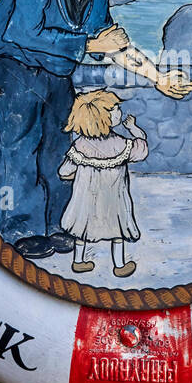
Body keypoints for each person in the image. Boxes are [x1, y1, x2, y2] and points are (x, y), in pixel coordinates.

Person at [0, 0, 192, 260]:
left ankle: (58, 225)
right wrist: (90, 47)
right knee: (17, 149)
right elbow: (25, 33)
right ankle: (21, 230)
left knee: (58, 148)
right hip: (11, 70)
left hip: (56, 74)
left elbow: (110, 39)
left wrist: (158, 77)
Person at [58, 90, 148, 278]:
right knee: (117, 231)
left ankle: (78, 261)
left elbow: (64, 171)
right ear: (101, 118)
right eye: (113, 110)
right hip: (113, 199)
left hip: (86, 199)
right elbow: (141, 150)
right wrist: (134, 129)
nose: (119, 112)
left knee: (82, 229)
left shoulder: (80, 145)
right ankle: (120, 265)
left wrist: (73, 176)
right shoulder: (120, 144)